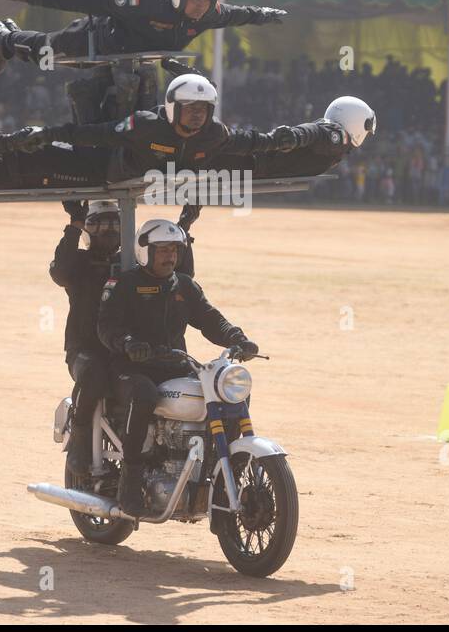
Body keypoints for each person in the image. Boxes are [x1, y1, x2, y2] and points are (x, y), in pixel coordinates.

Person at [97, 219, 257, 517]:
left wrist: (237, 338)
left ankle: (225, 469)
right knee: (143, 393)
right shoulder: (124, 284)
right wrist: (129, 343)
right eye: (163, 250)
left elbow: (210, 319)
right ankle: (130, 480)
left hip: (174, 365)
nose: (170, 256)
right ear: (145, 251)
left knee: (231, 392)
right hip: (131, 367)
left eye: (174, 250)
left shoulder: (183, 285)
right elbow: (107, 327)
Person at [50, 200, 198, 475]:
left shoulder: (132, 263)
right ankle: (80, 440)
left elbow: (179, 277)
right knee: (94, 374)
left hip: (129, 350)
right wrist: (74, 225)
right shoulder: (79, 263)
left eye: (116, 223)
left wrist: (182, 230)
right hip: (88, 349)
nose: (109, 230)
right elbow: (60, 272)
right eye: (100, 223)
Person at [0, 0, 287, 76]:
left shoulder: (210, 15)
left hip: (125, 61)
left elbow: (241, 15)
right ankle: (2, 37)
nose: (201, 5)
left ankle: (9, 37)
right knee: (45, 52)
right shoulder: (146, 1)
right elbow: (93, 0)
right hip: (94, 38)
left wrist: (267, 15)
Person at [32, 69, 314, 182]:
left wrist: (280, 140)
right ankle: (84, 91)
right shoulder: (146, 125)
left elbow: (250, 141)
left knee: (140, 84)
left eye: (203, 109)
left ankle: (137, 80)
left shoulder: (214, 133)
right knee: (94, 139)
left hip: (162, 182)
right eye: (190, 108)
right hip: (116, 168)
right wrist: (47, 134)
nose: (197, 115)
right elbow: (93, 134)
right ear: (174, 108)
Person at [209, 96, 376, 178]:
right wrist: (297, 135)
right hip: (250, 159)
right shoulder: (337, 137)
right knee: (205, 145)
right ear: (357, 122)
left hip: (253, 161)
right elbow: (314, 132)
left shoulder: (338, 143)